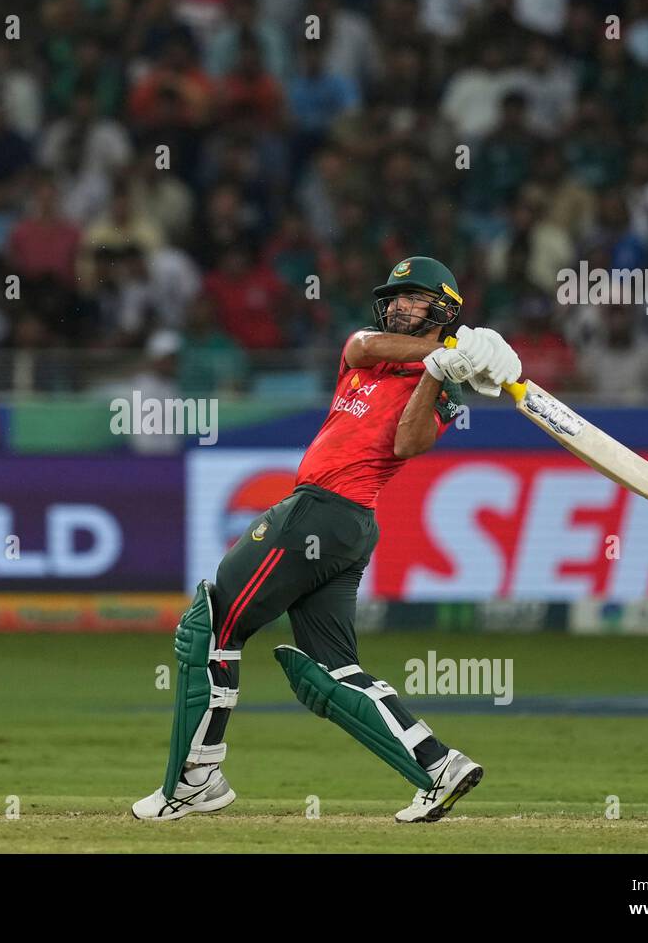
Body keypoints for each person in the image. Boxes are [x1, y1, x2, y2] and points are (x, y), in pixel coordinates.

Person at [132, 256, 522, 823]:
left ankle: (195, 779)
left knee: (210, 624)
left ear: (443, 308)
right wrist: (452, 351)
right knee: (331, 671)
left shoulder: (443, 394)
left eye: (414, 298)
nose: (399, 306)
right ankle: (439, 767)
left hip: (325, 512)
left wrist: (441, 370)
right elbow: (363, 346)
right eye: (394, 297)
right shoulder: (366, 349)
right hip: (342, 529)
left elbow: (408, 444)